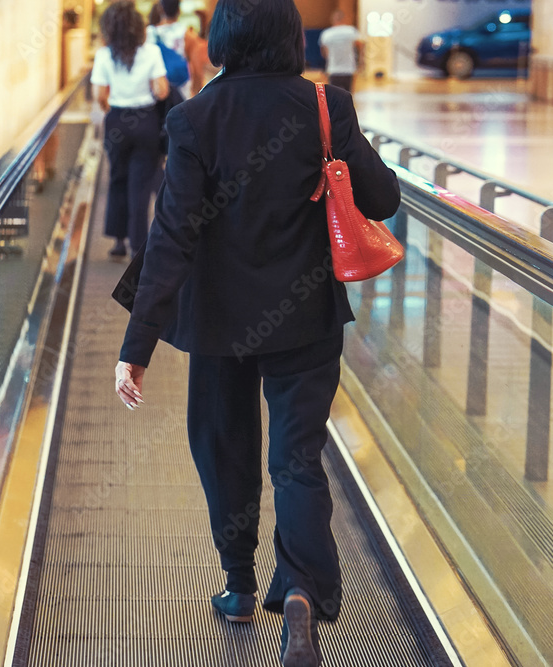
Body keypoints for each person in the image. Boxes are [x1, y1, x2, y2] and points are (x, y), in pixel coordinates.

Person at [113, 0, 400, 664]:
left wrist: (138, 347)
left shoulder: (193, 120)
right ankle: (299, 592)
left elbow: (173, 236)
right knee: (296, 459)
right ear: (290, 37)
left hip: (218, 323)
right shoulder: (326, 107)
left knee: (224, 448)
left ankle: (240, 584)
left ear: (221, 39)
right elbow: (382, 199)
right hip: (306, 319)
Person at [91, 1, 169, 258]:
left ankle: (118, 242)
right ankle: (138, 245)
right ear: (138, 26)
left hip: (117, 121)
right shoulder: (151, 52)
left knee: (118, 178)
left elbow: (99, 94)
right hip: (146, 121)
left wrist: (112, 106)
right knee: (141, 184)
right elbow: (162, 90)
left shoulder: (104, 55)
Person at [319, 10, 363, 93]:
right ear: (344, 19)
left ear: (332, 20)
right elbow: (360, 46)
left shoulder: (326, 34)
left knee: (334, 96)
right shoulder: (351, 31)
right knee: (348, 95)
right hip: (348, 69)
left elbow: (324, 53)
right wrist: (360, 62)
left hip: (333, 70)